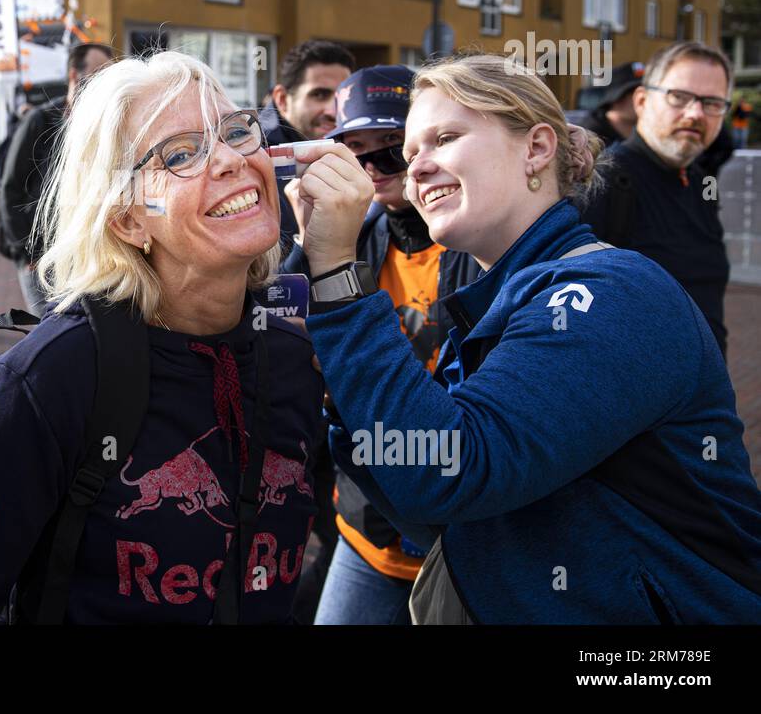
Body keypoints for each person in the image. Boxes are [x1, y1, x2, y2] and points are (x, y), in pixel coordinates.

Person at [295, 53, 761, 623]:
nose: (415, 168)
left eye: (444, 138)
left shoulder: (611, 292)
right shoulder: (498, 303)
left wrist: (336, 274)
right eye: (410, 152)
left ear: (537, 148)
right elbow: (431, 509)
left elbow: (447, 472)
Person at [0, 51, 325, 624]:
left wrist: (343, 272)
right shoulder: (47, 381)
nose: (229, 159)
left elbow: (411, 512)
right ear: (127, 220)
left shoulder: (294, 357)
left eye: (234, 131)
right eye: (181, 154)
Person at [287, 66, 482, 625]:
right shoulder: (354, 236)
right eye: (353, 153)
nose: (373, 170)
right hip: (366, 530)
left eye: (390, 151)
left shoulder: (474, 242)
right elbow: (287, 333)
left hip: (458, 538)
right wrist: (311, 245)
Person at [580, 41, 733, 355]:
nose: (695, 113)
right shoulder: (601, 182)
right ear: (642, 101)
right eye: (679, 97)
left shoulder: (701, 181)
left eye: (712, 103)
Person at [0, 42, 113, 314]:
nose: (106, 82)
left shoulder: (104, 127)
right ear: (75, 74)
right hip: (40, 257)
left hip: (85, 255)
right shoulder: (40, 121)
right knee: (47, 332)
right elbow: (9, 188)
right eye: (99, 73)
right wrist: (27, 253)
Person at [258, 40, 356, 252]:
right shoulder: (251, 152)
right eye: (319, 95)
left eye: (342, 97)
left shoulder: (354, 144)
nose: (333, 110)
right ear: (282, 99)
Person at [573, 62, 642, 148]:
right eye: (634, 93)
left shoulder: (648, 132)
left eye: (648, 93)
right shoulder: (588, 137)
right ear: (616, 97)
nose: (643, 99)